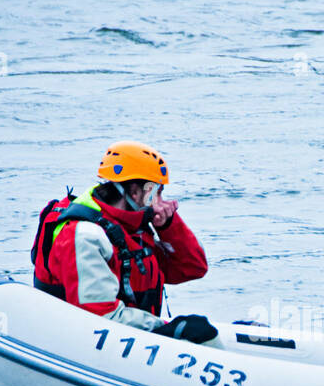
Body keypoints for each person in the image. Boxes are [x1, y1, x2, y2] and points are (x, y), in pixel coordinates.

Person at [31, 140, 217, 343]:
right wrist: (166, 329)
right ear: (135, 192)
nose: (161, 201)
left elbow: (193, 267)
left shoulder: (133, 225)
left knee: (205, 333)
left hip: (128, 334)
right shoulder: (84, 236)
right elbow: (100, 316)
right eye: (156, 192)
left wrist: (167, 225)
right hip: (85, 341)